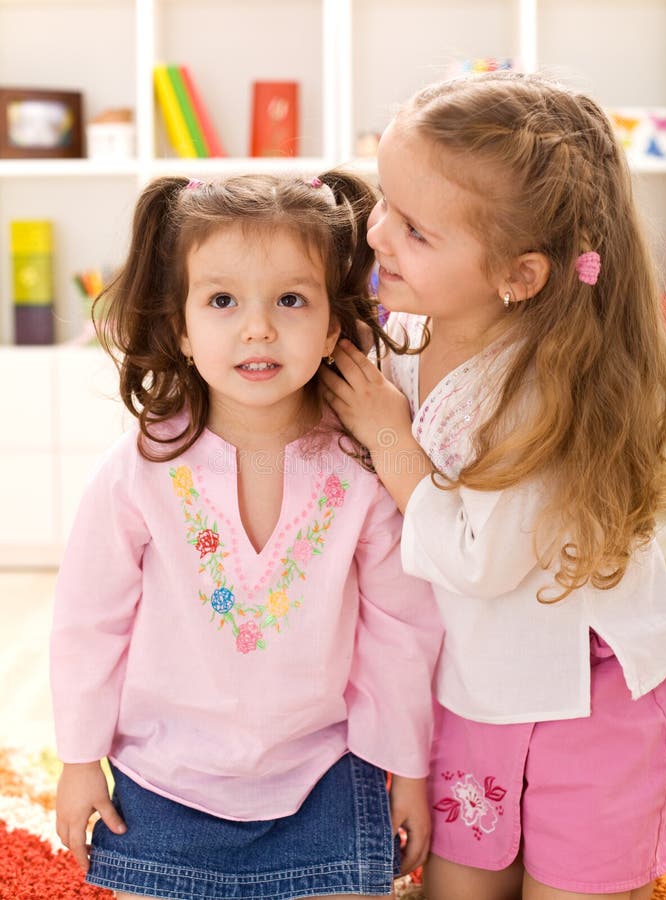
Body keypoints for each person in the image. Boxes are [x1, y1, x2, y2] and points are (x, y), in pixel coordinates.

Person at [321, 71, 666, 900]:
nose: (376, 235)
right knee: (461, 880)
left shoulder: (543, 390)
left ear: (518, 274)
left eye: (414, 230)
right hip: (474, 689)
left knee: (578, 884)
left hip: (586, 699)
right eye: (384, 201)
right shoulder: (407, 336)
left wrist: (389, 442)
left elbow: (481, 560)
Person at [50, 171, 444, 900]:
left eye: (290, 300)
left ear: (331, 325)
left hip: (326, 776)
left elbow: (401, 627)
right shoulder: (138, 469)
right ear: (180, 325)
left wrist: (408, 770)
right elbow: (88, 623)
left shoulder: (362, 470)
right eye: (222, 300)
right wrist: (79, 761)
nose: (257, 328)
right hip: (162, 780)